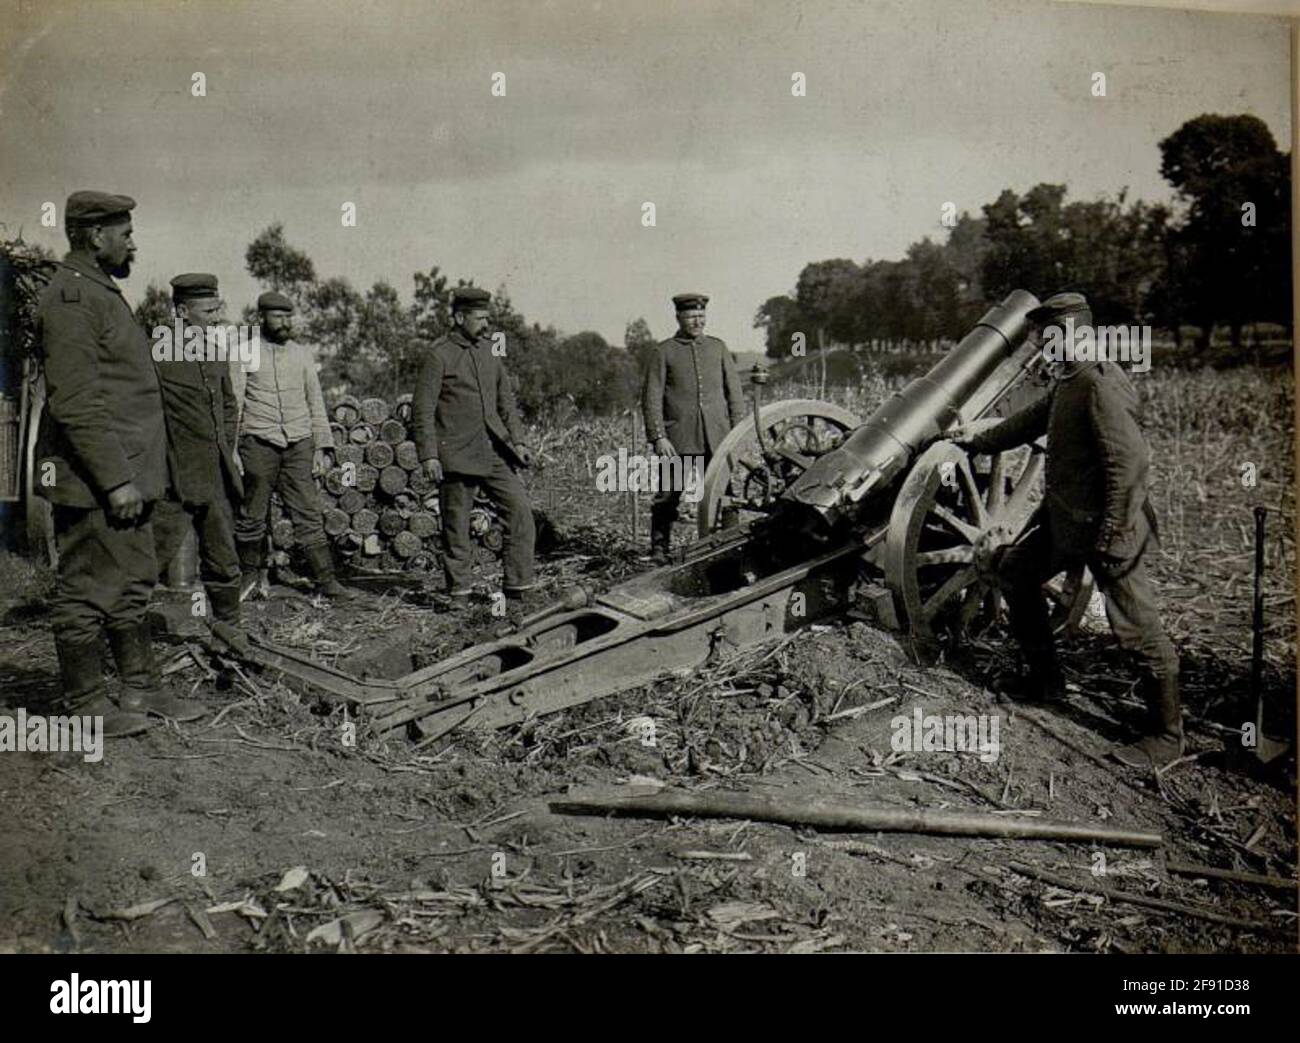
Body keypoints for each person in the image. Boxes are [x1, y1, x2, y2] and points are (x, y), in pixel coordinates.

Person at [953, 292, 1181, 769]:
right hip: (1065, 522)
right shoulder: (1069, 380)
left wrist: (1114, 530)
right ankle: (1046, 683)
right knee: (1015, 572)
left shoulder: (1099, 380)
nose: (1038, 346)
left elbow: (1129, 463)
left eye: (1044, 336)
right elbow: (1025, 424)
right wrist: (976, 438)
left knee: (1138, 631)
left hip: (1112, 528)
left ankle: (1165, 735)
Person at [35, 191, 200, 737]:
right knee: (85, 588)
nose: (133, 242)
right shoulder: (73, 299)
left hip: (128, 476)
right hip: (97, 480)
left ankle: (140, 687)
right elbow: (76, 400)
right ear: (94, 235)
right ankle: (83, 704)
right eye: (124, 233)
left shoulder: (101, 293)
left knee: (132, 583)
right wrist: (116, 479)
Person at [412, 286, 535, 608]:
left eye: (487, 318)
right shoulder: (438, 355)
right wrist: (429, 455)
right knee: (456, 525)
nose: (486, 324)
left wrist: (518, 440)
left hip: (493, 451)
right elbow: (422, 410)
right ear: (459, 317)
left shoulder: (489, 351)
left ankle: (517, 587)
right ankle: (459, 593)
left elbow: (506, 401)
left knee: (520, 510)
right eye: (480, 318)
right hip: (455, 454)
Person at [230, 291, 352, 599]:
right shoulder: (244, 352)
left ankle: (326, 580)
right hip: (258, 442)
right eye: (278, 317)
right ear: (262, 318)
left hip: (298, 443)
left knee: (308, 511)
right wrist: (232, 450)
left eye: (288, 316)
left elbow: (316, 401)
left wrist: (323, 445)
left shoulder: (301, 353)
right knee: (252, 515)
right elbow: (235, 404)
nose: (285, 323)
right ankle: (248, 579)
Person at [151, 273, 244, 626]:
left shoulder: (217, 354)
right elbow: (143, 414)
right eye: (208, 311)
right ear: (182, 312)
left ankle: (229, 634)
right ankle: (123, 647)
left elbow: (229, 407)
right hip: (172, 480)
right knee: (147, 562)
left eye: (217, 308)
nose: (217, 317)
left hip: (215, 478)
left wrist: (226, 447)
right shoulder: (156, 354)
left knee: (224, 560)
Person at [640, 292, 744, 557]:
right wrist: (659, 437)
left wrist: (739, 434)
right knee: (667, 496)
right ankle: (659, 549)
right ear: (679, 317)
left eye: (701, 316)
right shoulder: (664, 352)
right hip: (678, 440)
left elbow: (735, 395)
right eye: (691, 316)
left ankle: (729, 545)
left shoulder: (718, 348)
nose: (697, 321)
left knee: (725, 494)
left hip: (719, 438)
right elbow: (651, 397)